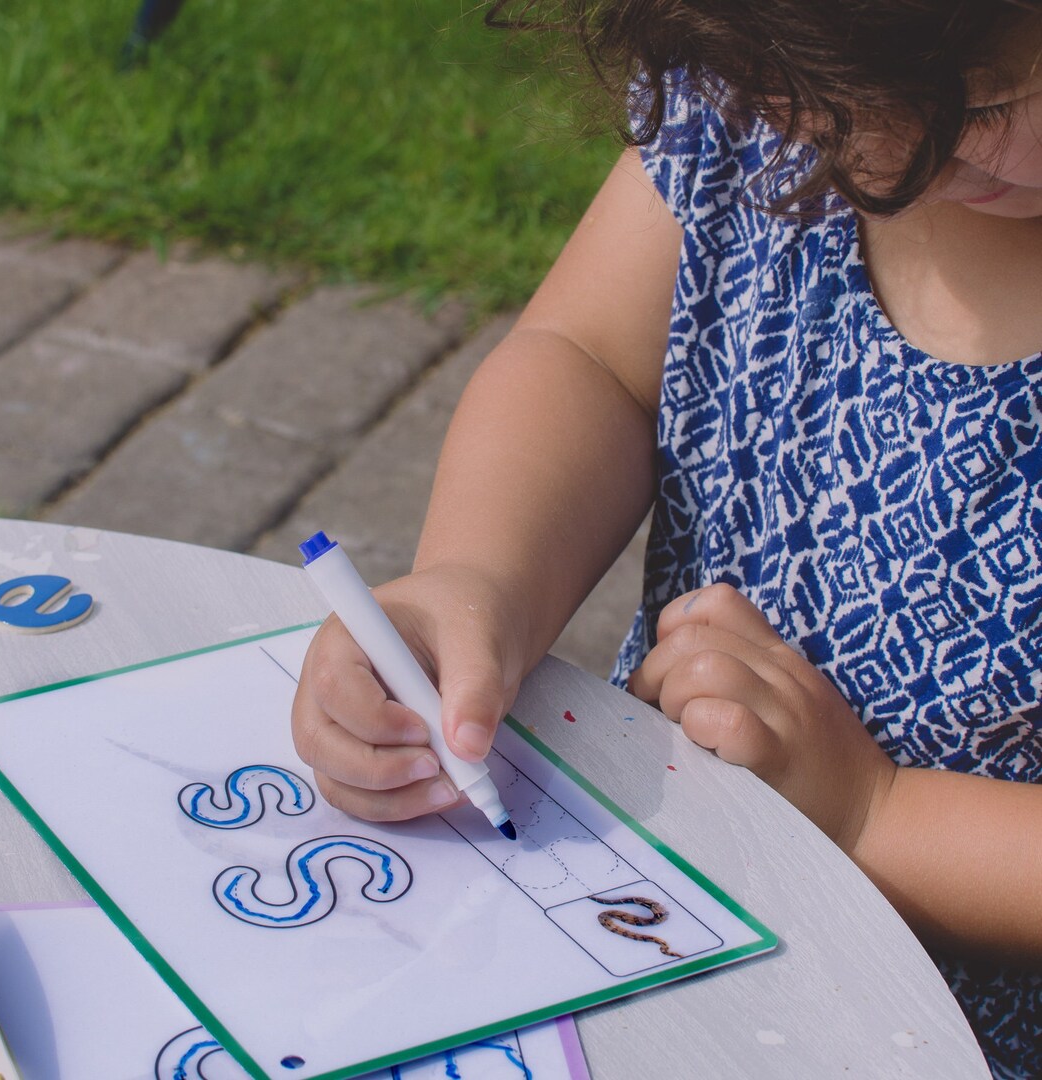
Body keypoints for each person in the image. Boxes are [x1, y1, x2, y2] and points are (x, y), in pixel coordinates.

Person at [291, 2, 1042, 1074]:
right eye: (827, 120)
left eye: (986, 105)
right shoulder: (764, 92)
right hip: (651, 924)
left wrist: (877, 818)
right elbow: (587, 358)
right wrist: (479, 581)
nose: (882, 164)